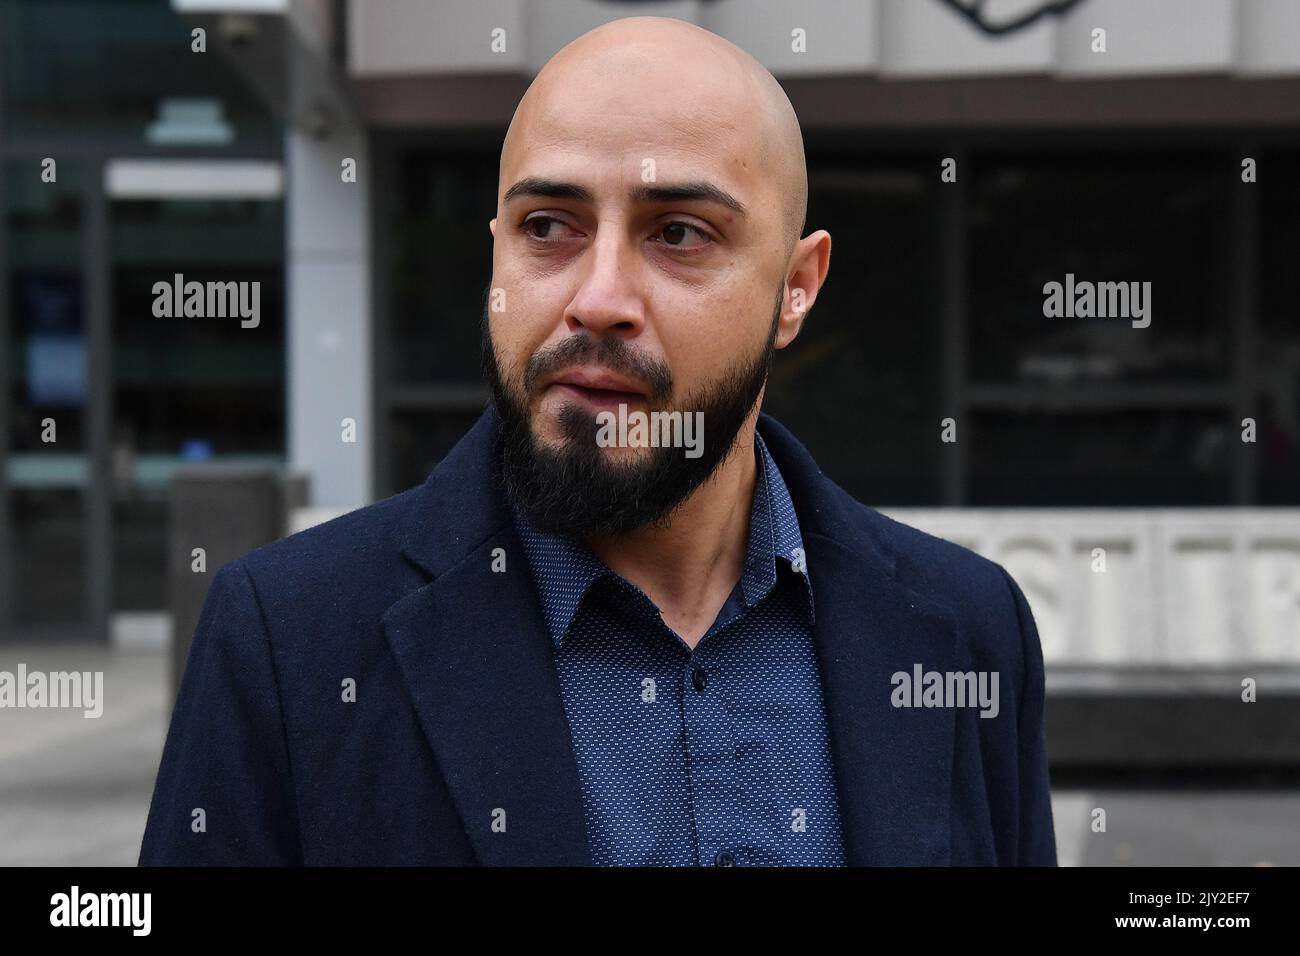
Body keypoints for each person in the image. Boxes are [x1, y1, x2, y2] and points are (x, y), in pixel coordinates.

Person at [139, 16, 1056, 867]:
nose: (599, 298)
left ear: (796, 287)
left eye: (680, 233)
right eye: (549, 227)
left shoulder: (969, 631)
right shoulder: (287, 638)